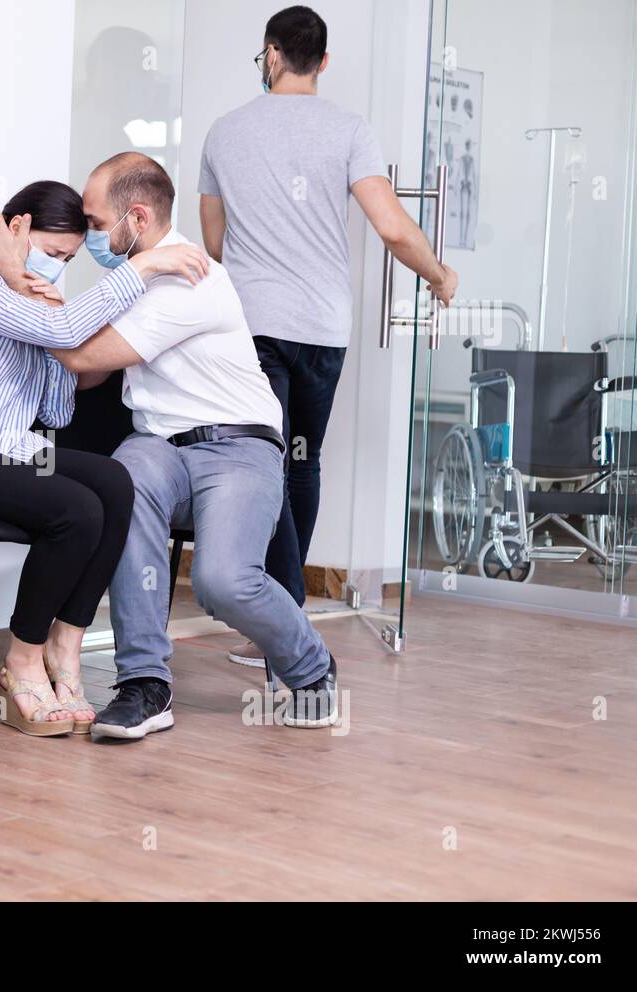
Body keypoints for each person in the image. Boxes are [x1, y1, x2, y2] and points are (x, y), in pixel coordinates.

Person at [0, 152, 340, 737]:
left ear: (139, 217)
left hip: (238, 447)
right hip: (158, 446)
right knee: (120, 485)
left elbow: (79, 356)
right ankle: (144, 684)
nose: (91, 237)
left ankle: (310, 666)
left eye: (98, 225)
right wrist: (44, 303)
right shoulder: (132, 276)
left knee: (222, 582)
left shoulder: (188, 278)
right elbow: (91, 373)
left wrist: (12, 277)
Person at [0, 180, 210, 737]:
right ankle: (21, 662)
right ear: (15, 229)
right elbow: (58, 330)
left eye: (67, 259)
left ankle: (65, 645)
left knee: (113, 482)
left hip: (4, 449)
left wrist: (40, 302)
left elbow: (56, 412)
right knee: (75, 511)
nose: (58, 266)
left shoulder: (31, 292)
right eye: (53, 252)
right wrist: (144, 267)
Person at [198, 5, 457, 666]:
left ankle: (278, 619)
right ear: (325, 61)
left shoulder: (225, 132)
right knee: (302, 460)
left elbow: (215, 242)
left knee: (261, 464)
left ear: (272, 53)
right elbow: (394, 227)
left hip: (252, 327)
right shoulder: (349, 129)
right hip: (320, 330)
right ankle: (286, 618)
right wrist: (439, 273)